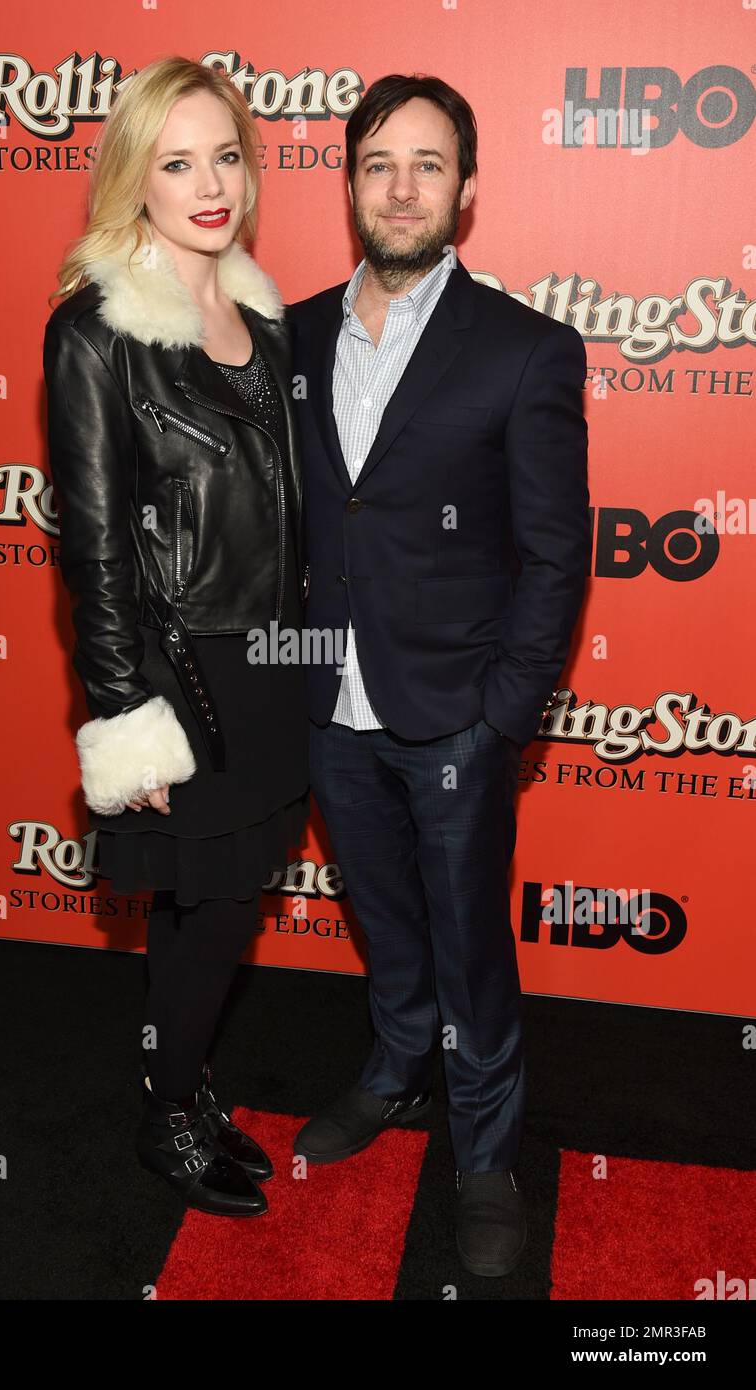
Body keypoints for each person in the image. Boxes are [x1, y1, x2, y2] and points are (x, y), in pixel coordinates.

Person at [288, 74, 590, 1275]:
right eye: (377, 163)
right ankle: (390, 1066)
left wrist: (503, 713)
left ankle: (482, 1154)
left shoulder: (525, 350)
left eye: (426, 165)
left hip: (456, 714)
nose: (400, 187)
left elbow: (556, 553)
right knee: (385, 920)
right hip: (327, 705)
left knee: (473, 948)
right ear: (350, 183)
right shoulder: (290, 333)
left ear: (464, 193)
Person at [43, 56, 310, 1218]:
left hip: (276, 664)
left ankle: (187, 1086)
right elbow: (93, 547)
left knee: (225, 908)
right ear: (132, 178)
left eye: (226, 156)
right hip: (180, 672)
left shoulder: (260, 309)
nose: (210, 184)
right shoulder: (95, 332)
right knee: (204, 910)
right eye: (177, 161)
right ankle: (167, 1118)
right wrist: (121, 713)